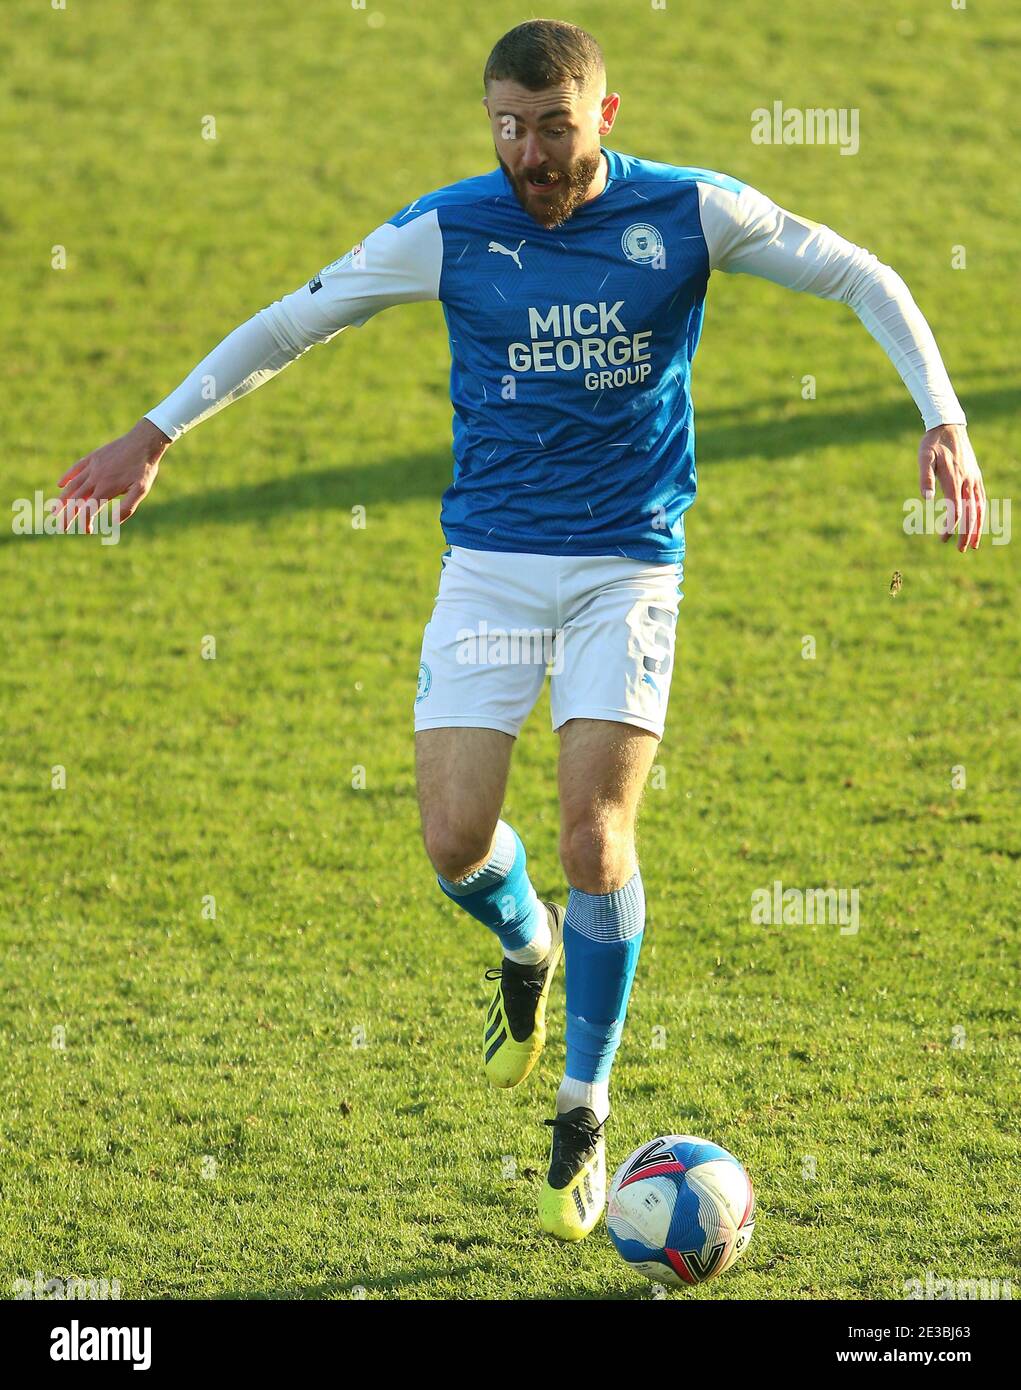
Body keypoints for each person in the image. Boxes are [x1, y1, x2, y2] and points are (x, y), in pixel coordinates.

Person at [57, 18, 985, 1242]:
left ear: (605, 116)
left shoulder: (690, 213)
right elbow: (294, 321)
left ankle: (584, 1104)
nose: (529, 152)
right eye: (508, 125)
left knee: (595, 838)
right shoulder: (449, 228)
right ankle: (525, 941)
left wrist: (942, 414)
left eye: (553, 127)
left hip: (624, 567)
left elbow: (864, 272)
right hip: (489, 569)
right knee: (452, 840)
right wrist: (157, 428)